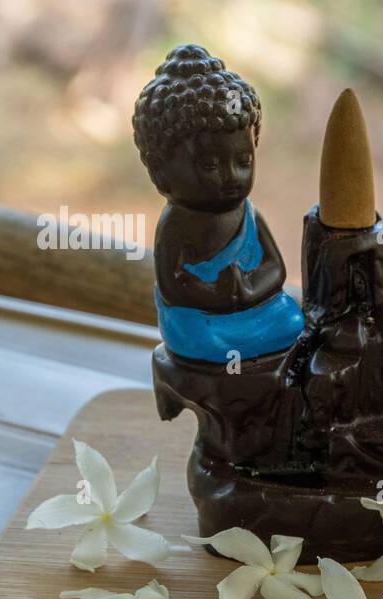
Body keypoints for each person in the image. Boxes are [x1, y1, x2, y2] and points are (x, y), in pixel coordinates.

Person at [133, 44, 303, 363]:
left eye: (243, 161)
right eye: (210, 166)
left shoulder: (247, 214)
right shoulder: (176, 224)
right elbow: (172, 287)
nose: (230, 177)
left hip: (253, 308)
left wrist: (247, 290)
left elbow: (275, 268)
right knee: (202, 338)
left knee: (293, 318)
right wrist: (216, 294)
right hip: (199, 318)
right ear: (160, 170)